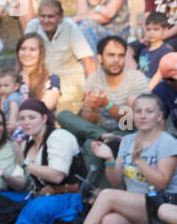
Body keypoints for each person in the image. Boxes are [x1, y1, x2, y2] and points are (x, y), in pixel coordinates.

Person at [42, 95, 177, 224]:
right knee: (109, 221)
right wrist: (110, 159)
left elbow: (162, 182)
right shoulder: (128, 141)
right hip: (141, 208)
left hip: (165, 204)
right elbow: (115, 180)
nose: (143, 116)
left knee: (106, 196)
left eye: (149, 111)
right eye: (138, 111)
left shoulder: (167, 142)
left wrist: (138, 161)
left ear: (159, 116)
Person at [0, 98, 84, 224]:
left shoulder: (59, 137)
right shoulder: (26, 144)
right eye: (22, 118)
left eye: (32, 117)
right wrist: (4, 175)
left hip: (69, 197)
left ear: (44, 118)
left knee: (37, 208)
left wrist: (25, 163)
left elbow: (57, 176)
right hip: (39, 197)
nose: (26, 122)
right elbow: (21, 184)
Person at [58, 34, 152, 177]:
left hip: (126, 132)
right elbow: (89, 121)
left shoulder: (136, 79)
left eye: (121, 56)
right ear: (100, 58)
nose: (116, 60)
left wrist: (106, 104)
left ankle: (91, 185)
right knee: (63, 116)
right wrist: (91, 108)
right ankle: (103, 138)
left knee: (91, 142)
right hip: (101, 131)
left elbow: (129, 123)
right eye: (111, 55)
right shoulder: (94, 79)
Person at [24, 0, 96, 115]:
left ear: (60, 16)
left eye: (51, 16)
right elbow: (23, 56)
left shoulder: (70, 27)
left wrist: (91, 93)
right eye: (43, 16)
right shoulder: (33, 26)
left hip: (69, 86)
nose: (46, 20)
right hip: (41, 84)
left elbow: (89, 63)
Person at [14, 33, 61, 126]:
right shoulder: (11, 79)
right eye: (23, 49)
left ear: (41, 53)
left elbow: (42, 109)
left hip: (40, 130)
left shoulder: (52, 79)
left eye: (32, 50)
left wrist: (18, 124)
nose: (26, 54)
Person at [128, 12, 176, 91]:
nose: (151, 33)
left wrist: (147, 91)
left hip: (156, 88)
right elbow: (140, 71)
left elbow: (159, 75)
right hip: (141, 86)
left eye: (156, 29)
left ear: (166, 30)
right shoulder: (144, 51)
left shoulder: (166, 51)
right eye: (148, 29)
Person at [0, 68, 24, 132]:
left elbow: (14, 112)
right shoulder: (5, 98)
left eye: (6, 85)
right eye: (0, 86)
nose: (2, 89)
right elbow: (2, 113)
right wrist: (2, 102)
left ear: (16, 86)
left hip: (16, 127)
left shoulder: (13, 96)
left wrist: (11, 125)